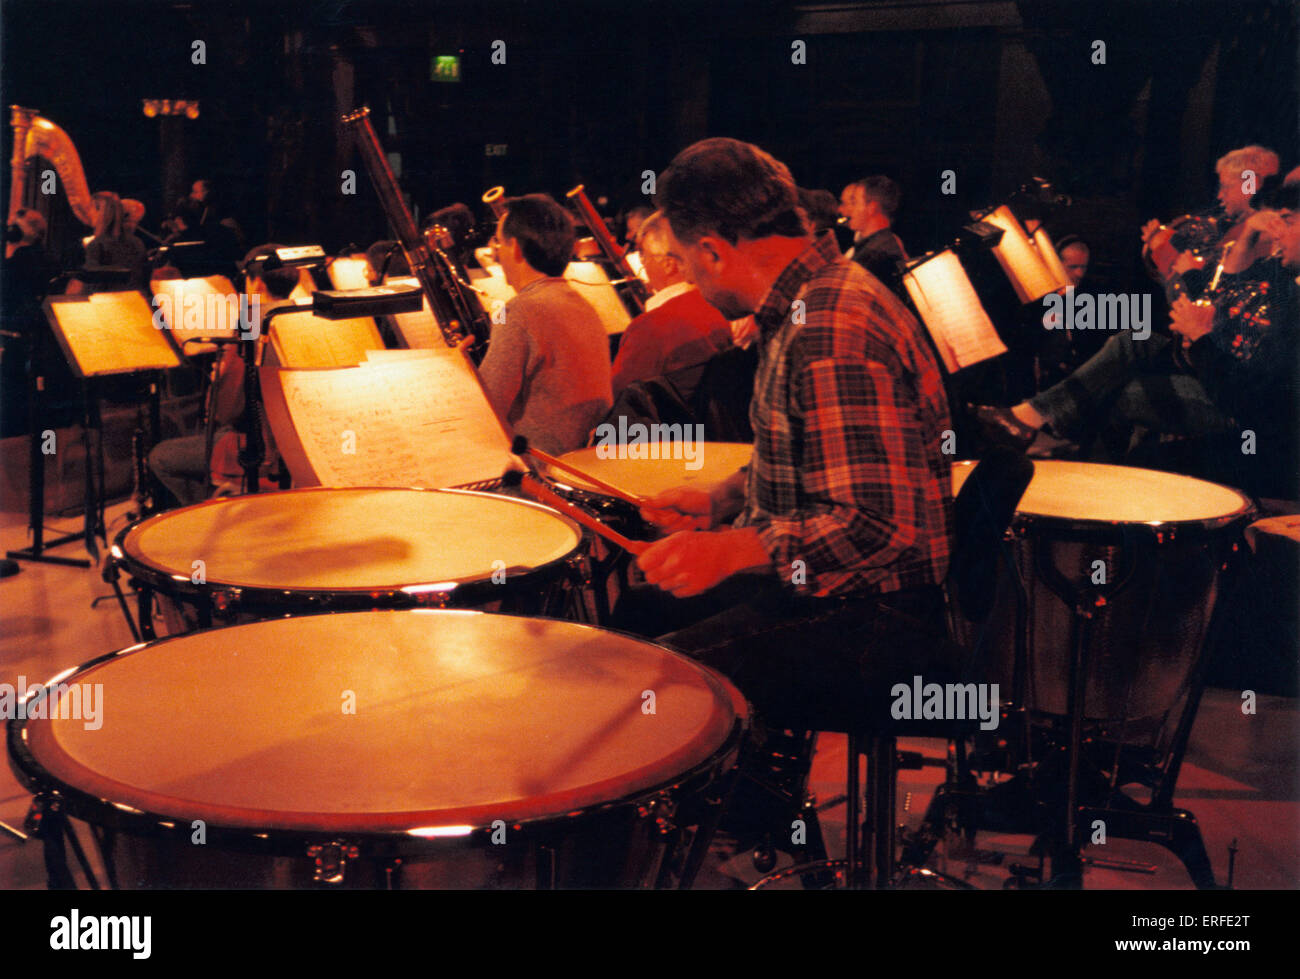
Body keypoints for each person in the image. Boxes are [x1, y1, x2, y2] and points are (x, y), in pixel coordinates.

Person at [615, 137, 955, 744]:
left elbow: (879, 526)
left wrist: (731, 550)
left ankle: (739, 810)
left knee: (649, 681)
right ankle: (749, 794)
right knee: (636, 617)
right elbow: (814, 452)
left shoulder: (831, 327)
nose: (690, 277)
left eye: (688, 262)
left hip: (874, 612)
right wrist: (720, 500)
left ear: (713, 251)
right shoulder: (806, 299)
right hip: (835, 585)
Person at [148, 244, 298, 506]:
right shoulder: (300, 315)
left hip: (265, 447)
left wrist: (221, 376)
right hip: (292, 437)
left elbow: (224, 411)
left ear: (258, 284)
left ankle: (211, 513)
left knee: (160, 457)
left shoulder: (252, 325)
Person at [477, 194, 612, 455]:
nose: (496, 254)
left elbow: (487, 407)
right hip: (585, 460)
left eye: (499, 244)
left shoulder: (518, 311)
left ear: (515, 248)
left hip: (537, 470)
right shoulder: (585, 306)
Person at [609, 210, 733, 396]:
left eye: (643, 255)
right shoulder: (724, 307)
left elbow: (616, 401)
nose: (641, 264)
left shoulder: (650, 328)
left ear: (668, 263)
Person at [838, 175, 908, 299]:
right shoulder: (879, 246)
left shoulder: (877, 254)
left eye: (855, 202)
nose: (849, 211)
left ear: (872, 208)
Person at [83, 191, 147, 290]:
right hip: (134, 299)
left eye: (91, 209)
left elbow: (91, 286)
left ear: (101, 213)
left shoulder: (96, 245)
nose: (88, 214)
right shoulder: (137, 243)